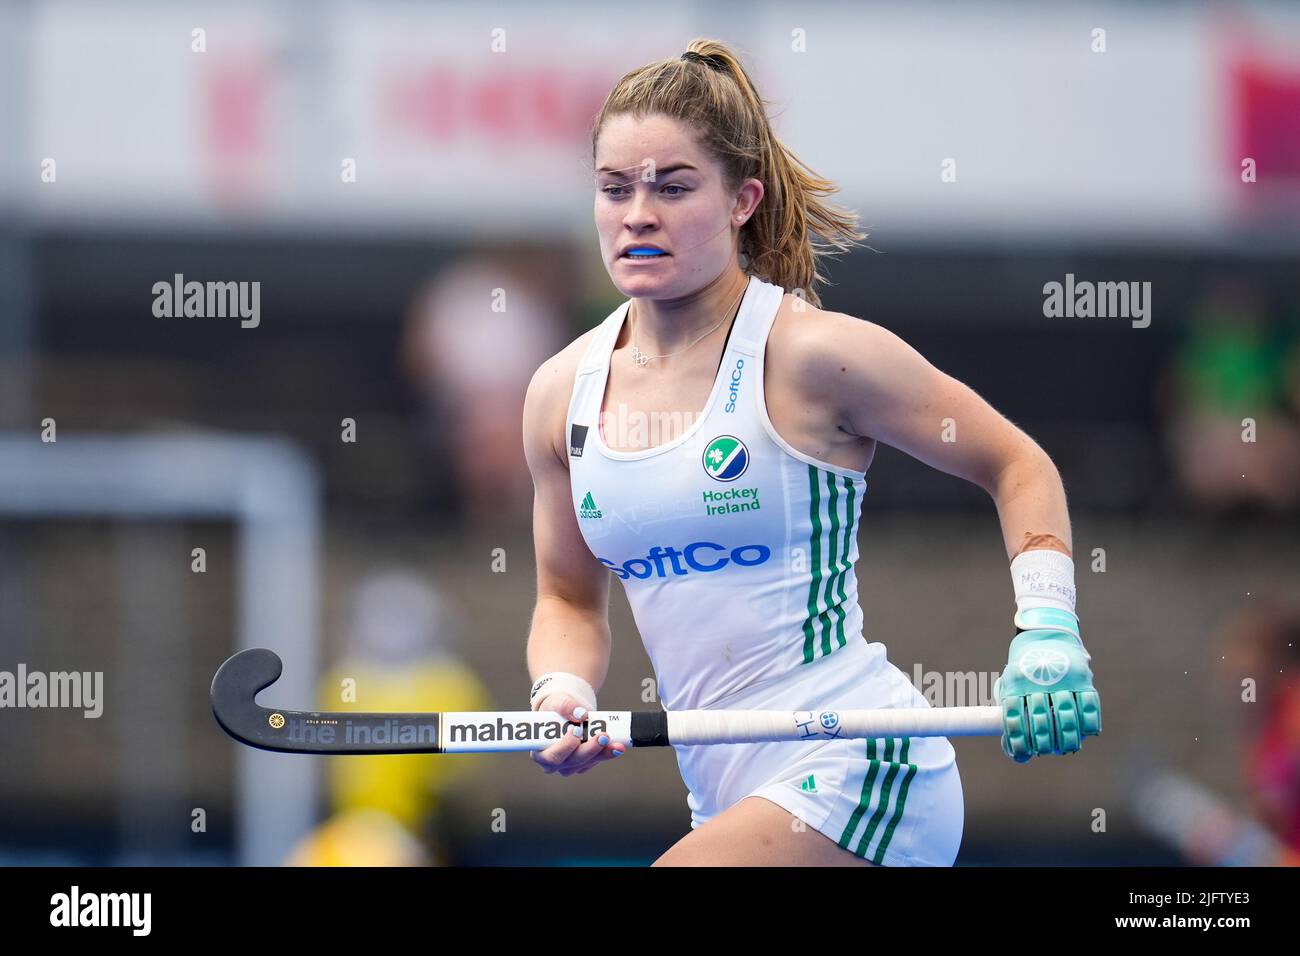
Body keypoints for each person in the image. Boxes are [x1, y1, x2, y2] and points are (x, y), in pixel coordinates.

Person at [520, 40, 1101, 867]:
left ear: (741, 200)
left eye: (673, 187)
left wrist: (1047, 628)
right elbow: (568, 603)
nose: (637, 213)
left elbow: (1016, 463)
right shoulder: (558, 393)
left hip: (860, 763)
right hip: (722, 787)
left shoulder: (813, 357)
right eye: (615, 189)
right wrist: (563, 690)